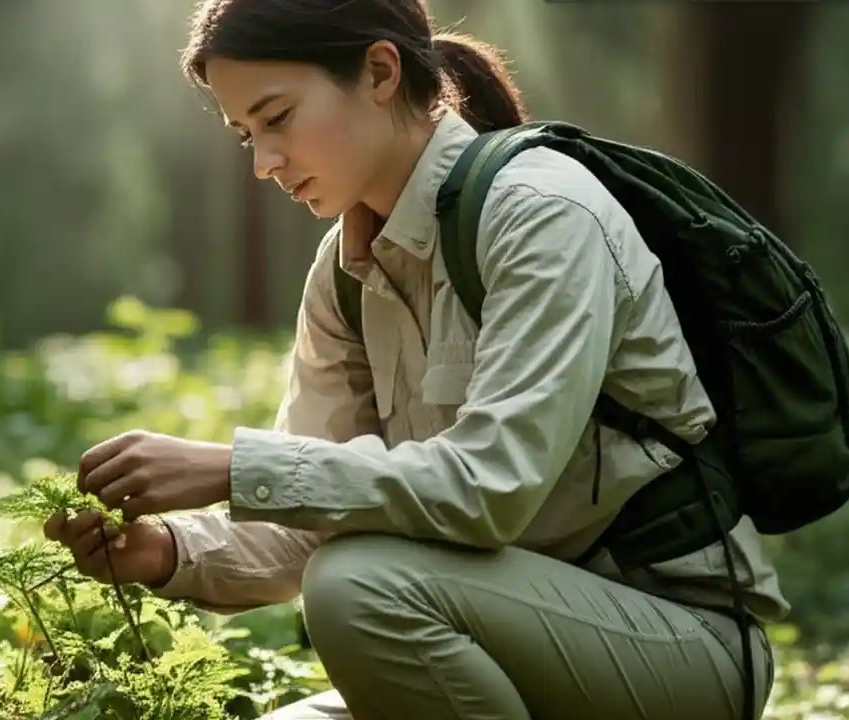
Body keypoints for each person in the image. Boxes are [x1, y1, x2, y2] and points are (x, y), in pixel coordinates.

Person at [43, 1, 790, 718]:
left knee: (357, 586)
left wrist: (230, 468)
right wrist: (166, 551)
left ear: (378, 72)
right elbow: (311, 519)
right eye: (246, 135)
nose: (265, 163)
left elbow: (491, 488)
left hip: (680, 645)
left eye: (277, 119)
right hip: (496, 632)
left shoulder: (543, 214)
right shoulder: (347, 268)